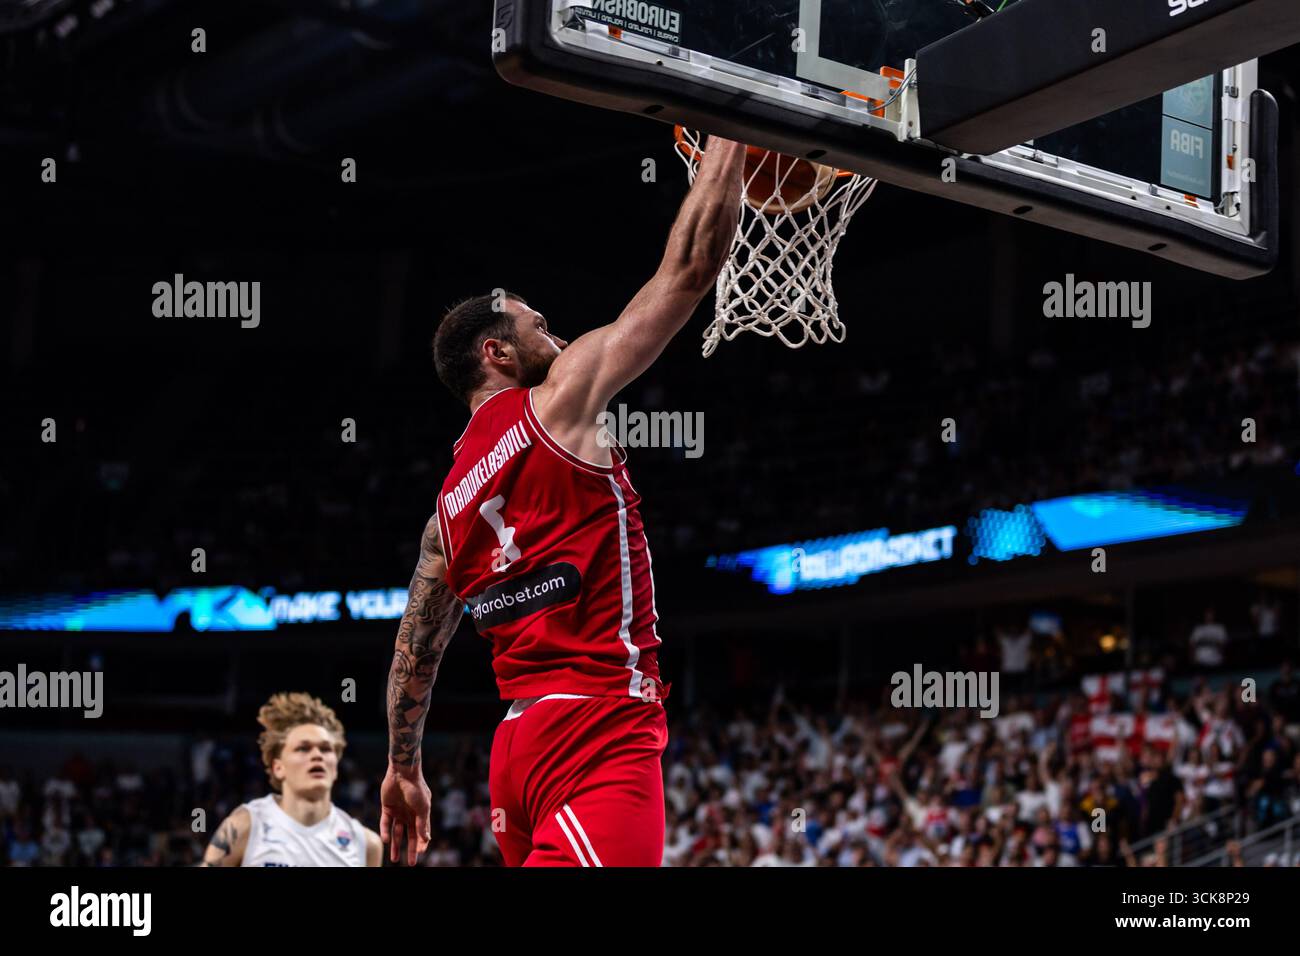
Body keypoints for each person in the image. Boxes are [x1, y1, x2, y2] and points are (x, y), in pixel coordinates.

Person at [380, 137, 747, 867]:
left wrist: (402, 767)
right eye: (539, 326)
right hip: (596, 729)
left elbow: (414, 650)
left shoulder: (445, 512)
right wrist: (735, 134)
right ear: (498, 354)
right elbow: (689, 271)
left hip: (517, 751)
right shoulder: (558, 399)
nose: (562, 335)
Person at [200, 693, 380, 867]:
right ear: (278, 768)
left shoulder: (366, 844)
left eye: (325, 749)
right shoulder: (245, 826)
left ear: (335, 766)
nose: (317, 756)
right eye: (303, 748)